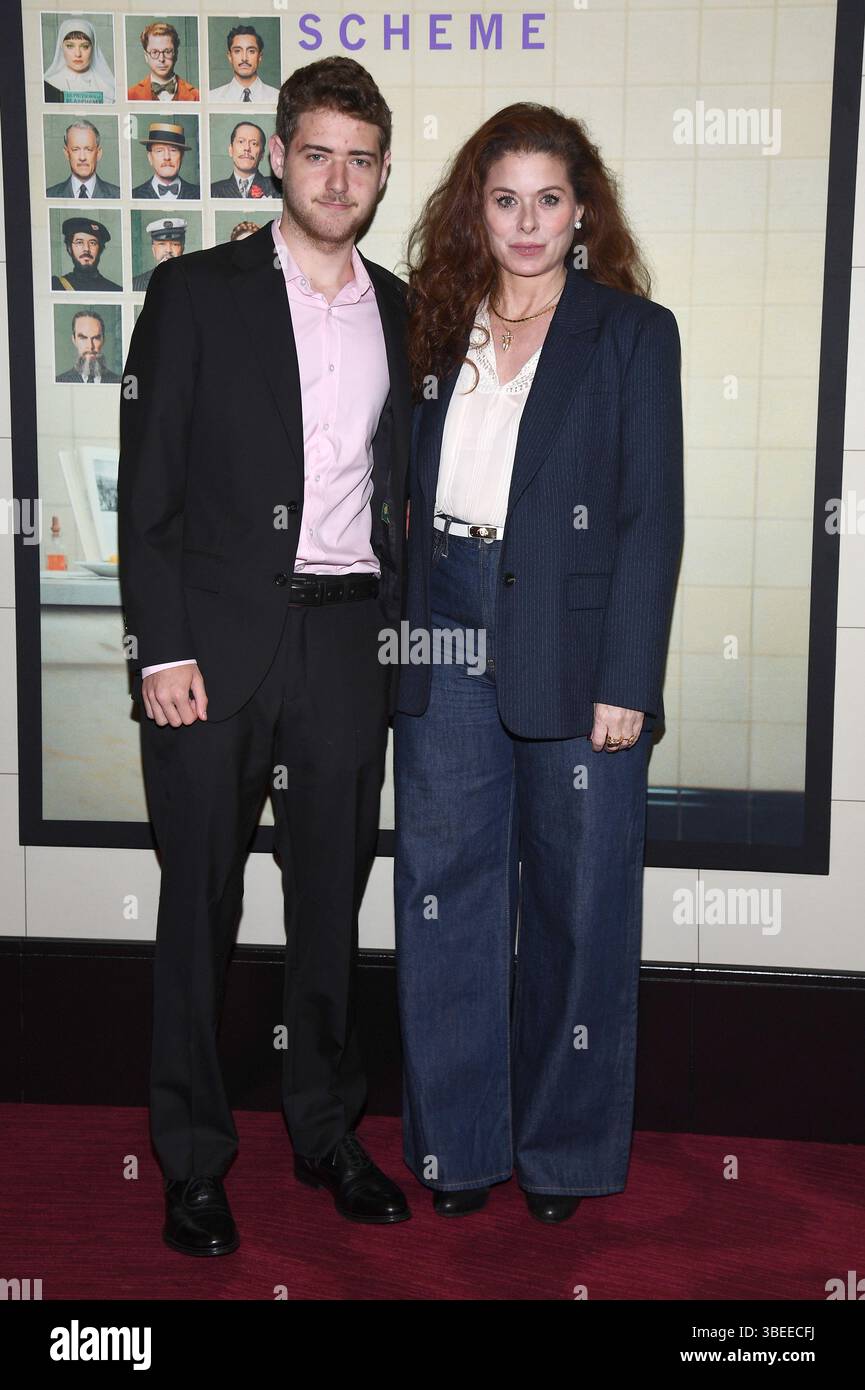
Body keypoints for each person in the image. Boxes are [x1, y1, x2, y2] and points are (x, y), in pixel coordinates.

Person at [117, 56, 412, 1257]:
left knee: (330, 908)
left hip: (345, 642)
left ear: (382, 175)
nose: (338, 177)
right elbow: (148, 493)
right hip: (211, 652)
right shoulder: (193, 293)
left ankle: (325, 1128)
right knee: (199, 909)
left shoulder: (401, 307)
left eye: (361, 158)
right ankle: (191, 1157)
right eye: (318, 152)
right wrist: (160, 648)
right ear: (278, 154)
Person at [393, 102, 684, 1224]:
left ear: (581, 212)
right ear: (479, 206)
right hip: (446, 620)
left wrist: (630, 679)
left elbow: (648, 518)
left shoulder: (630, 333)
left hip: (574, 635)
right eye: (502, 197)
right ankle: (459, 1147)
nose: (524, 221)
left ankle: (562, 1155)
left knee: (580, 898)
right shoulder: (432, 320)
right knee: (444, 895)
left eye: (547, 199)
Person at [43, 16, 116, 104]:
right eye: (70, 46)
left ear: (93, 48)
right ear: (61, 48)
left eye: (85, 46)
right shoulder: (49, 84)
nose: (78, 54)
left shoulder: (108, 88)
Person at [46, 121, 120, 199]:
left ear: (98, 153)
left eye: (88, 149)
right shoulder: (49, 195)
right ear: (67, 153)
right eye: (75, 149)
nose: (82, 158)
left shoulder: (118, 195)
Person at [127, 22, 199, 101]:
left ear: (176, 54)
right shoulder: (130, 96)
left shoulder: (196, 95)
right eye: (155, 52)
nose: (161, 59)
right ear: (146, 56)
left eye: (167, 51)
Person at [209, 25, 280, 103]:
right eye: (237, 51)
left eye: (251, 51)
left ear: (259, 57)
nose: (244, 58)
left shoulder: (277, 97)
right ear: (230, 56)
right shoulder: (212, 98)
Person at [131, 123, 200, 200]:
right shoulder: (133, 196)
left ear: (182, 156)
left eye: (173, 150)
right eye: (159, 151)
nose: (167, 157)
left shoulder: (200, 195)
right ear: (150, 157)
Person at [51, 217, 121, 291]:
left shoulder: (115, 290)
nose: (86, 249)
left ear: (100, 249)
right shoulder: (56, 286)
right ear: (69, 248)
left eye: (92, 243)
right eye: (79, 242)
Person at [210, 122, 274, 198]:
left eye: (254, 143)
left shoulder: (275, 188)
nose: (247, 148)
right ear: (231, 150)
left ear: (262, 154)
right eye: (241, 141)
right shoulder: (213, 191)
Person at [56, 309, 121, 383]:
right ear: (74, 340)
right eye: (83, 338)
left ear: (103, 340)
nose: (90, 346)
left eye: (96, 338)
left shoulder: (119, 381)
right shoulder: (60, 381)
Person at [132, 218, 187, 291]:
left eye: (175, 244)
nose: (168, 250)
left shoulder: (195, 282)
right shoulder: (135, 284)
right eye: (162, 244)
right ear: (153, 249)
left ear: (182, 248)